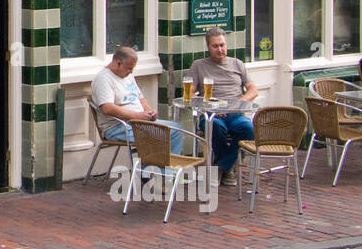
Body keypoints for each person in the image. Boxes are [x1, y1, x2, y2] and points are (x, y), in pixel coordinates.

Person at [187, 27, 257, 186]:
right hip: (211, 113)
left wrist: (237, 105)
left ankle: (221, 167)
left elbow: (253, 90)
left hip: (235, 112)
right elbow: (190, 93)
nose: (220, 49)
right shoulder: (198, 65)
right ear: (208, 47)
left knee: (248, 128)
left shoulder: (237, 64)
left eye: (222, 45)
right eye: (215, 46)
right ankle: (228, 168)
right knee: (216, 127)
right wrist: (207, 107)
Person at [93, 46, 184, 159]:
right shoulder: (104, 79)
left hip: (139, 123)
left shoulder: (128, 75)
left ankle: (166, 170)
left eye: (132, 68)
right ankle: (155, 172)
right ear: (118, 63)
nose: (131, 72)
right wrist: (137, 116)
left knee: (177, 129)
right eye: (129, 68)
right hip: (118, 127)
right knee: (160, 134)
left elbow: (140, 98)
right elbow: (107, 108)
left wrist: (149, 112)